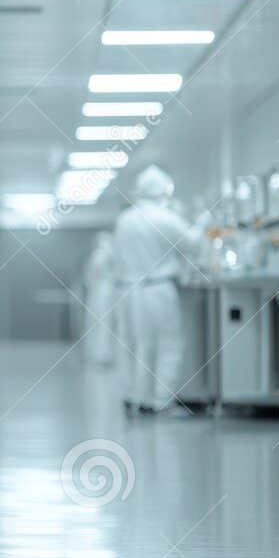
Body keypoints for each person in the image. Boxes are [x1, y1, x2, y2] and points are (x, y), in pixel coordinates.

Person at [112, 165, 200, 416]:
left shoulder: (124, 219)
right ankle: (161, 402)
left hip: (126, 291)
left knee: (132, 345)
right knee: (167, 342)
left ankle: (132, 397)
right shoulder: (166, 218)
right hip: (157, 289)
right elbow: (194, 244)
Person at [83, 232, 118, 366]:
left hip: (97, 292)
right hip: (105, 291)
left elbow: (89, 277)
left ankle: (98, 353)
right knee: (105, 323)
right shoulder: (106, 254)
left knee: (97, 323)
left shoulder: (96, 255)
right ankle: (103, 355)